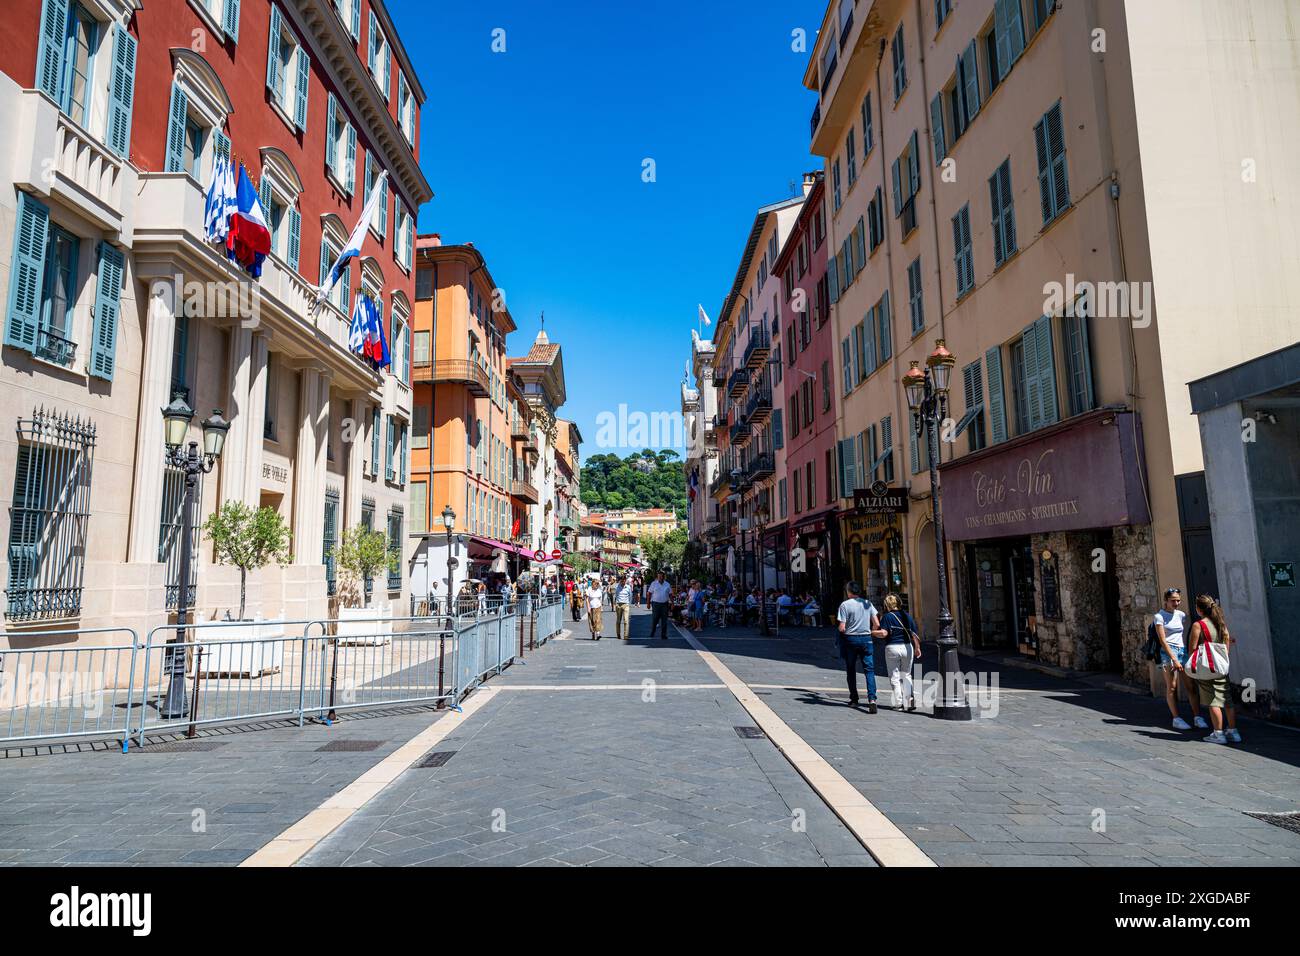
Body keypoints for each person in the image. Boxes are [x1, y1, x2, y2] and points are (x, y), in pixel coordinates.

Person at [1187, 595, 1241, 744]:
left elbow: (1192, 649)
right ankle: (1233, 731)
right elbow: (1227, 645)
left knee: (1213, 701)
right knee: (1227, 700)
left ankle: (1218, 733)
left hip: (1207, 667)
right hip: (1221, 666)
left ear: (1198, 609)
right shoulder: (1221, 624)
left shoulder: (1199, 625)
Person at [1154, 587, 1208, 731]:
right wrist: (1174, 659)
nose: (1176, 603)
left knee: (1191, 685)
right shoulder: (1159, 617)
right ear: (1166, 600)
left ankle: (1197, 717)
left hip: (1182, 651)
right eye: (1173, 600)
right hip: (1167, 653)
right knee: (1172, 686)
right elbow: (1163, 641)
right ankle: (1176, 718)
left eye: (1178, 600)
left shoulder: (1181, 615)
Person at [836, 581, 887, 712]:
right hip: (866, 639)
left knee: (851, 669)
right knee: (869, 670)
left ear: (849, 592)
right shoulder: (867, 604)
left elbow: (842, 628)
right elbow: (876, 623)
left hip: (851, 640)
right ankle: (872, 699)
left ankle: (854, 699)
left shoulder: (845, 605)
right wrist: (870, 630)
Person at [879, 593, 922, 711]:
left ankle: (898, 703)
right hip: (907, 647)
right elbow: (914, 634)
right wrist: (917, 648)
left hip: (892, 647)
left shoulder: (887, 617)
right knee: (907, 674)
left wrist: (871, 632)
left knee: (895, 676)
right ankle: (910, 700)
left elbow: (884, 633)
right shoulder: (907, 615)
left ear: (887, 605)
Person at [646, 571, 673, 639]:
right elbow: (649, 593)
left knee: (664, 620)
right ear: (657, 577)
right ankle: (652, 632)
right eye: (659, 576)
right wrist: (648, 603)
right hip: (655, 604)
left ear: (664, 577)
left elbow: (670, 594)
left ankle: (663, 634)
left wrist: (672, 603)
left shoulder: (667, 584)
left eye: (662, 576)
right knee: (655, 619)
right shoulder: (654, 584)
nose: (660, 577)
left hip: (665, 604)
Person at [614, 574, 633, 640]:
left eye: (624, 580)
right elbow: (615, 595)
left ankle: (626, 635)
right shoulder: (617, 587)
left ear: (625, 580)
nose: (623, 582)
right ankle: (618, 634)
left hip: (626, 605)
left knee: (626, 621)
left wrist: (629, 604)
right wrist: (615, 604)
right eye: (621, 581)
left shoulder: (628, 587)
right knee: (618, 621)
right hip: (618, 604)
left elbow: (630, 596)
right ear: (620, 581)